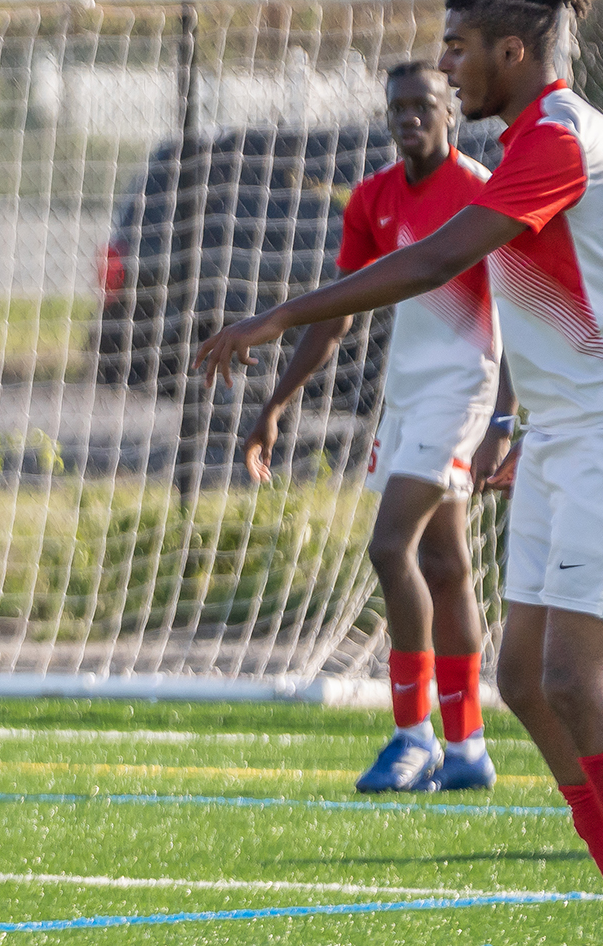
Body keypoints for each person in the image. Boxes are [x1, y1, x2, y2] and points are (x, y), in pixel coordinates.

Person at [195, 0, 603, 946]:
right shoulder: (526, 138)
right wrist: (518, 416)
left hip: (599, 432)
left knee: (569, 679)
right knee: (522, 678)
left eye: (458, 51)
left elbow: (436, 262)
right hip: (558, 437)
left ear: (514, 50)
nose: (447, 69)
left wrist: (280, 313)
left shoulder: (557, 139)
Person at [203, 63, 516, 794]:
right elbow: (339, 317)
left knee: (387, 546)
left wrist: (503, 417)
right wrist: (276, 405)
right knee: (445, 566)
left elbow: (517, 311)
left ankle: (414, 738)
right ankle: (468, 746)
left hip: (463, 393)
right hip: (406, 398)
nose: (409, 117)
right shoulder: (373, 198)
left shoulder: (478, 193)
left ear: (451, 112)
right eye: (398, 106)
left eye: (424, 105)